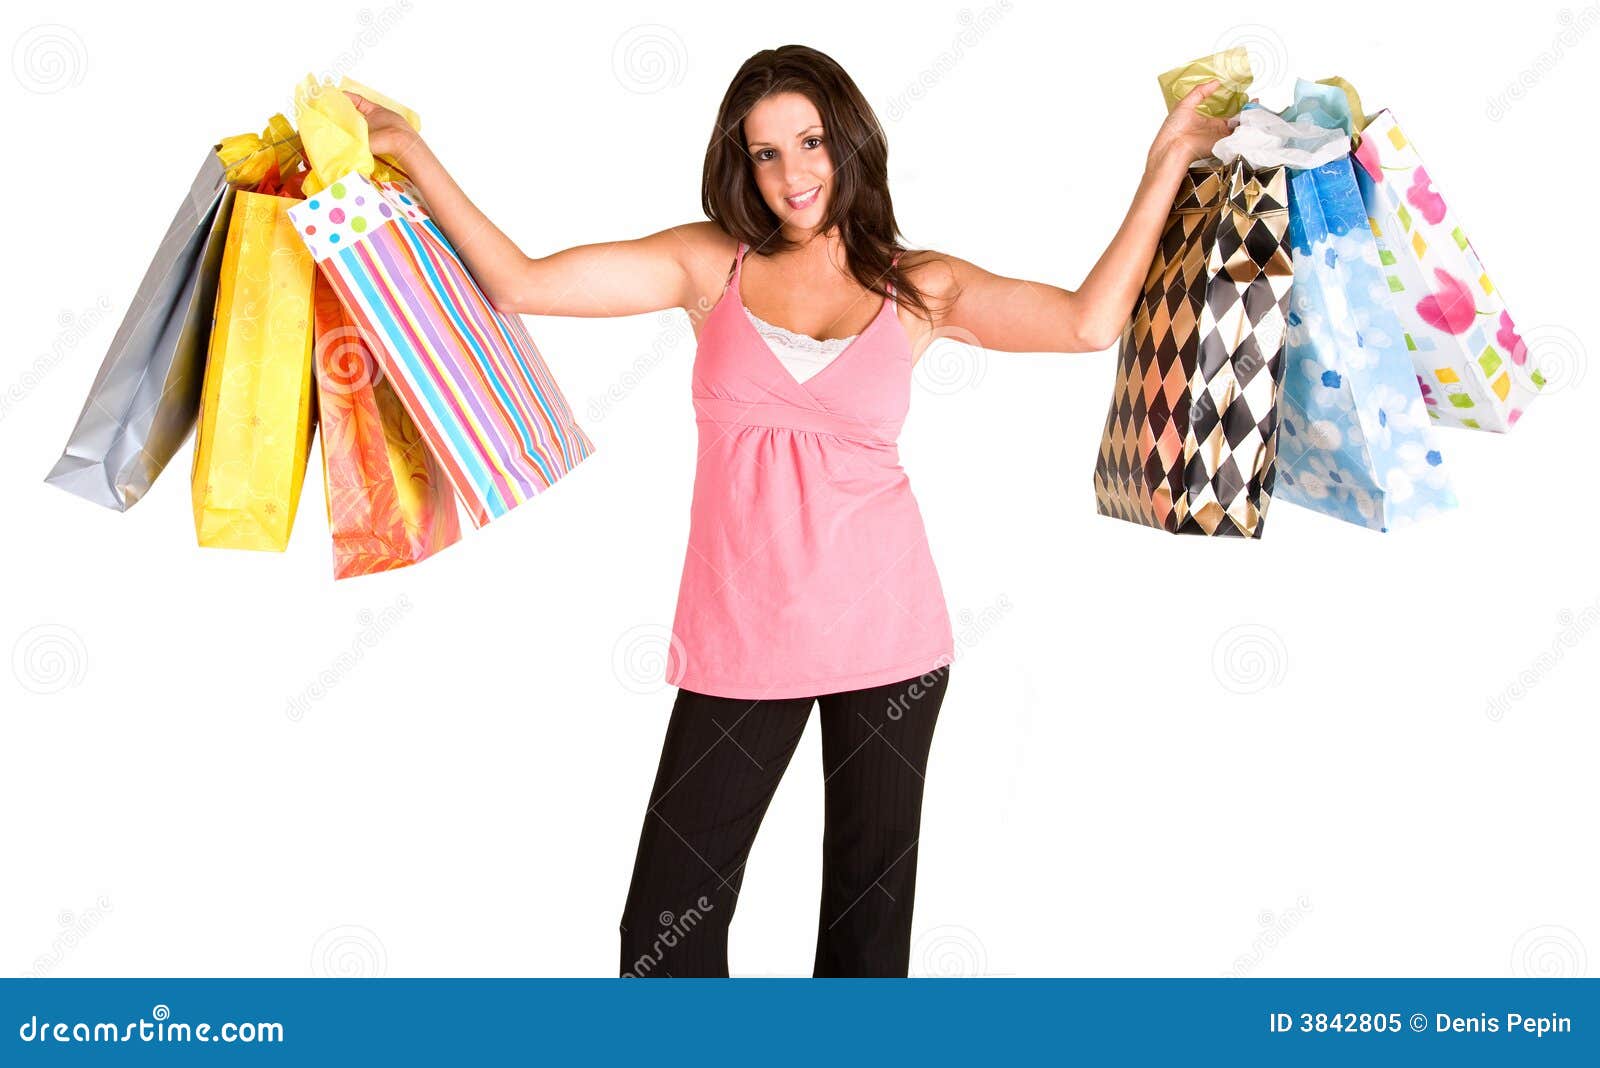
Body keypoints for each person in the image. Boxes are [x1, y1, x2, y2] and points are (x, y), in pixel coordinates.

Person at [346, 44, 1231, 977]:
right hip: (742, 638)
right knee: (662, 935)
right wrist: (409, 151)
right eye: (765, 153)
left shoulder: (921, 285)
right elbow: (521, 282)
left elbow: (1090, 323)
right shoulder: (707, 265)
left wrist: (1165, 161)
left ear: (848, 142)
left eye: (808, 142)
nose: (792, 174)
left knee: (866, 934)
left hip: (891, 640)